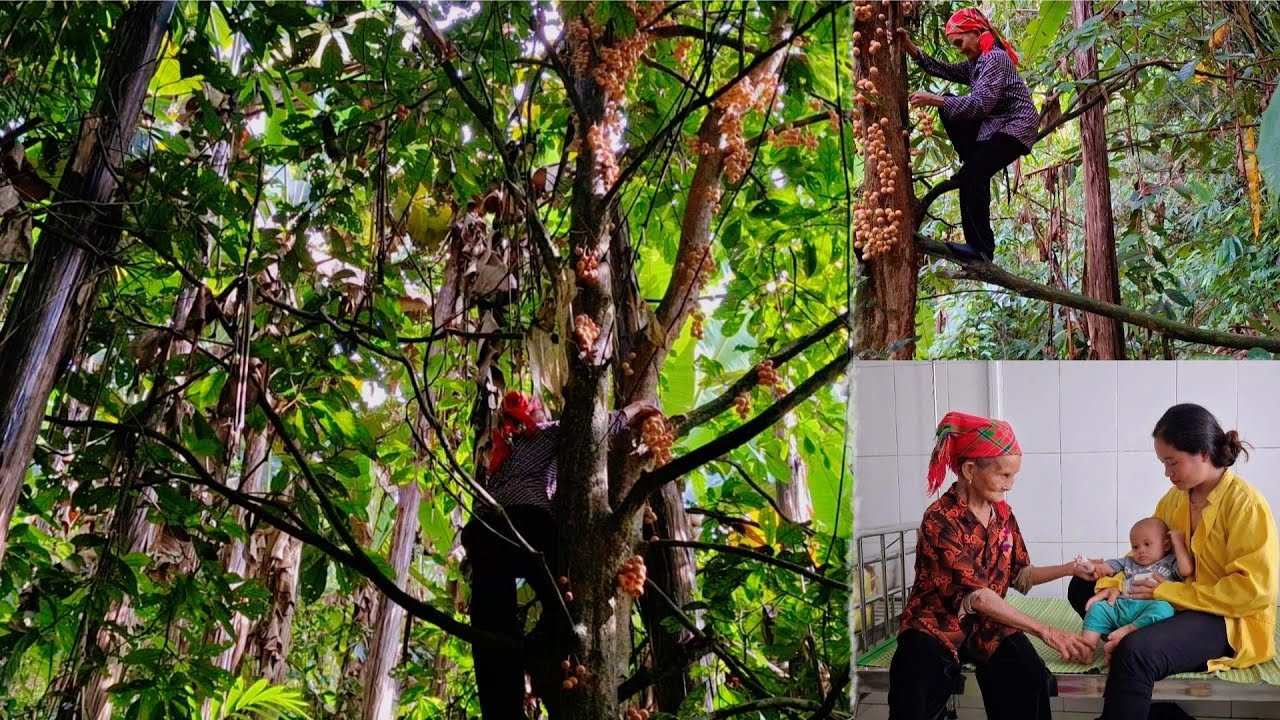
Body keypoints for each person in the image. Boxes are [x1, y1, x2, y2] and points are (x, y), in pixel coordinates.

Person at [1066, 403, 1279, 719]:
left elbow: (1253, 593)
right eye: (1163, 463)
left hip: (1227, 618)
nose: (1167, 473)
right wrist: (1112, 583)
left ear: (1204, 453)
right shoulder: (1175, 499)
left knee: (1135, 654)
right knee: (1082, 585)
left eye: (1172, 462)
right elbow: (1145, 551)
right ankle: (1132, 628)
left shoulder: (1245, 505)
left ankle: (1130, 638)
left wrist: (1169, 593)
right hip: (1173, 600)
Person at [461, 390, 656, 719]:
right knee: (568, 584)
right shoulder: (543, 434)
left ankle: (502, 710)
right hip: (521, 523)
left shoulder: (505, 457)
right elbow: (589, 430)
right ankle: (546, 637)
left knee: (492, 626)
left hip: (482, 532)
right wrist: (636, 407)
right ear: (533, 419)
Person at [888, 411, 1094, 720]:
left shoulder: (1003, 515)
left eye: (1014, 476)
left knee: (1031, 679)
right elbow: (979, 595)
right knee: (914, 692)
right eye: (1003, 475)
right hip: (936, 624)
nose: (1010, 485)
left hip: (988, 625)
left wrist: (1069, 569)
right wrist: (1045, 630)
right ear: (970, 469)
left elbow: (1021, 575)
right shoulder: (940, 520)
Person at [897, 8, 1039, 262]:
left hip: (1015, 127)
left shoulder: (993, 59)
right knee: (971, 165)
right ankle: (973, 161)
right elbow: (944, 69)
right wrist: (910, 49)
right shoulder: (978, 62)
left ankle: (981, 248)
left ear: (975, 32)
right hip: (997, 126)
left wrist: (935, 99)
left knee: (973, 174)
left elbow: (981, 104)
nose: (960, 49)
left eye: (959, 42)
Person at [1074, 516, 1194, 658]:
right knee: (1097, 608)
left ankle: (1127, 632)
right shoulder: (1128, 561)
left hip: (1148, 609)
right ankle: (1086, 648)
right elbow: (1106, 567)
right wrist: (1090, 567)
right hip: (1121, 606)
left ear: (1166, 545)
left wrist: (1178, 542)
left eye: (1147, 544)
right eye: (1135, 547)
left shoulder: (1170, 562)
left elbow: (1186, 570)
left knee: (1165, 609)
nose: (1140, 550)